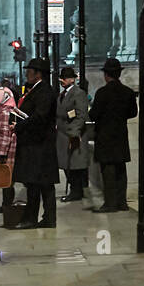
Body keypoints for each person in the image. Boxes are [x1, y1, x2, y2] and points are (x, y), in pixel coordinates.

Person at [13, 57, 59, 229]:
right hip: (36, 144)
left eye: (29, 71)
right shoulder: (37, 90)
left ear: (38, 74)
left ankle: (33, 218)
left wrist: (19, 125)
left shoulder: (44, 92)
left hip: (39, 145)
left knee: (37, 183)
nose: (27, 74)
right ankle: (46, 218)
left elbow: (39, 116)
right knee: (40, 183)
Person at [88, 57, 137, 213]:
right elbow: (133, 113)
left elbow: (94, 115)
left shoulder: (102, 93)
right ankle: (122, 202)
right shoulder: (128, 92)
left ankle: (110, 202)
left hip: (105, 136)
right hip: (120, 135)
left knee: (108, 170)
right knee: (121, 170)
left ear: (106, 75)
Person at [56, 67, 90, 202]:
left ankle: (76, 191)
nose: (61, 80)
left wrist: (74, 132)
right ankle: (75, 189)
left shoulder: (78, 93)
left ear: (71, 79)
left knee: (74, 165)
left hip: (73, 134)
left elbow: (81, 115)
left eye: (64, 78)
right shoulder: (62, 94)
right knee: (67, 164)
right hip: (62, 133)